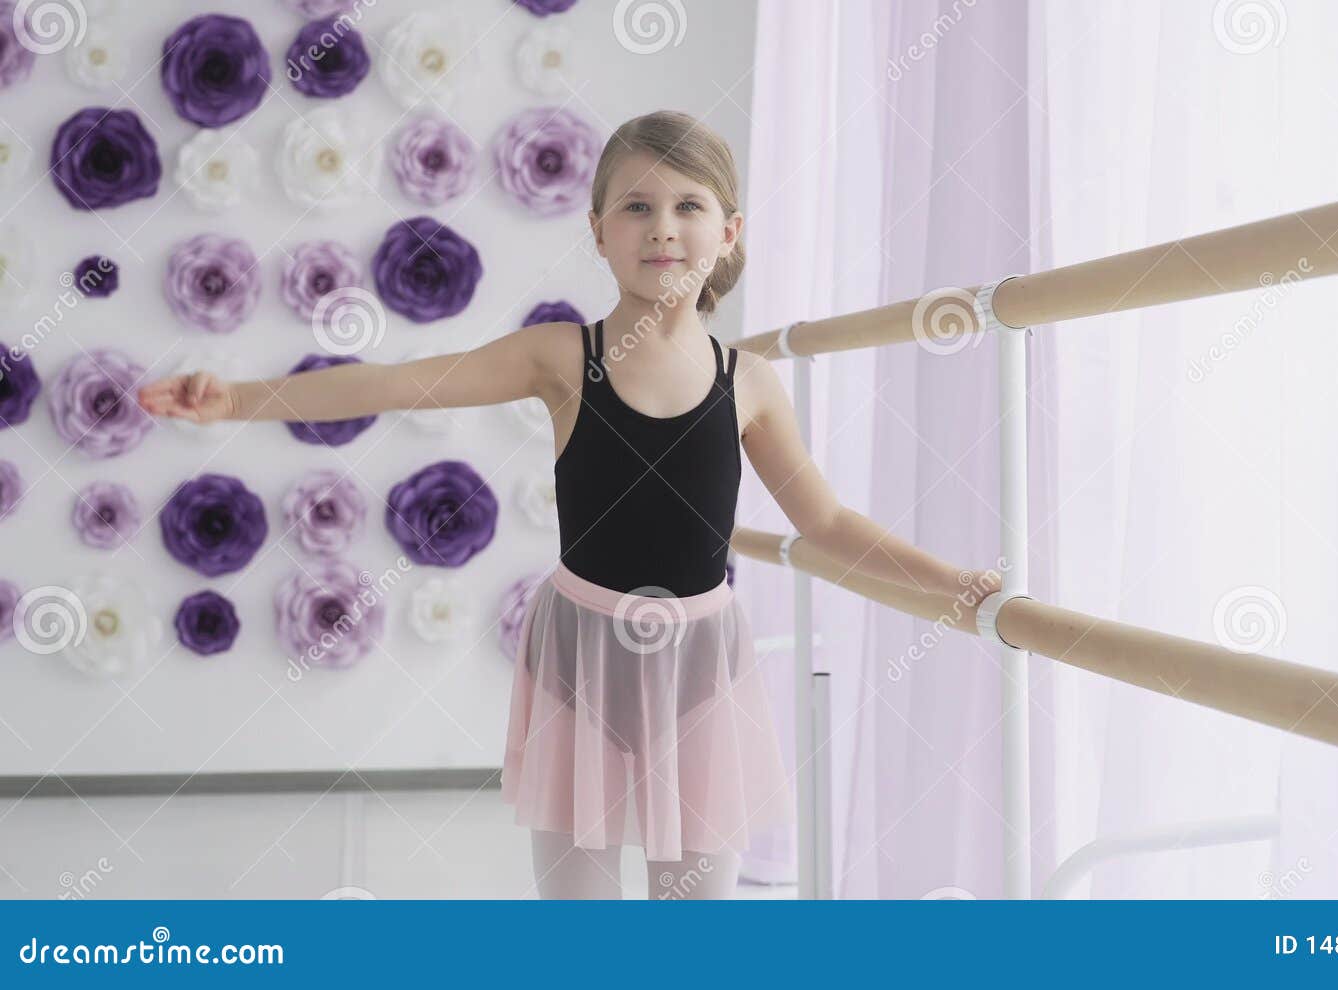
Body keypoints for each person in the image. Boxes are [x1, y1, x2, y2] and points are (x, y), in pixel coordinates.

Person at [139, 109, 999, 899]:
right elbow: (404, 383)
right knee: (579, 921)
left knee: (695, 915)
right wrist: (236, 398)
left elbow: (829, 525)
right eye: (635, 206)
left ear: (727, 232)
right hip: (580, 655)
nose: (663, 225)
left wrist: (949, 583)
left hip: (700, 665)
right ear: (597, 232)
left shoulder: (753, 384)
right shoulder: (560, 357)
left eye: (688, 204)